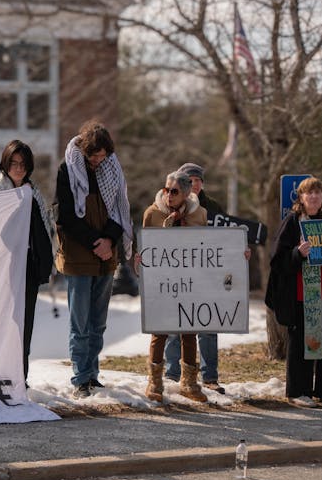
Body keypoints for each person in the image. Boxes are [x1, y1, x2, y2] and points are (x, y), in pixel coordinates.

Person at [54, 120, 133, 397]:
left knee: (98, 322)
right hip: (78, 256)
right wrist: (94, 242)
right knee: (80, 323)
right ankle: (80, 378)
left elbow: (118, 210)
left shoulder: (112, 170)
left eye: (103, 156)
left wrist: (109, 240)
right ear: (85, 151)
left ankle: (93, 374)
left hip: (105, 256)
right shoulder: (67, 170)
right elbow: (64, 217)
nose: (99, 161)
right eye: (94, 156)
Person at [265, 177, 322, 407]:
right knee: (301, 343)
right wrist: (297, 253)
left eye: (317, 193)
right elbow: (277, 260)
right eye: (308, 193)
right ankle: (297, 391)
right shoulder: (293, 222)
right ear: (301, 198)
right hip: (303, 295)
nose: (313, 197)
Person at [0, 140, 55, 383]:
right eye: (13, 163)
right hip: (0, 270)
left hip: (27, 269)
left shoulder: (33, 192)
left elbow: (44, 229)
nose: (18, 168)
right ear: (5, 163)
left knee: (24, 326)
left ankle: (19, 379)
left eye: (23, 164)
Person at [141, 170, 208, 403]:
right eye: (166, 189)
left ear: (186, 193)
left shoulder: (199, 215)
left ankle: (189, 382)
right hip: (162, 281)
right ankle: (155, 382)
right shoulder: (152, 214)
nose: (168, 195)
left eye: (174, 191)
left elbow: (207, 247)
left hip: (189, 280)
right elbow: (146, 249)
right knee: (159, 330)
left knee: (189, 330)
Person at [164, 162, 226, 393]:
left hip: (206, 276)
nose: (194, 184)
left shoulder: (214, 207)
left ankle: (209, 377)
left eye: (198, 180)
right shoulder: (167, 205)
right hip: (177, 277)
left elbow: (226, 241)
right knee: (174, 325)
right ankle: (173, 375)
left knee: (208, 326)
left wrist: (240, 251)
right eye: (189, 180)